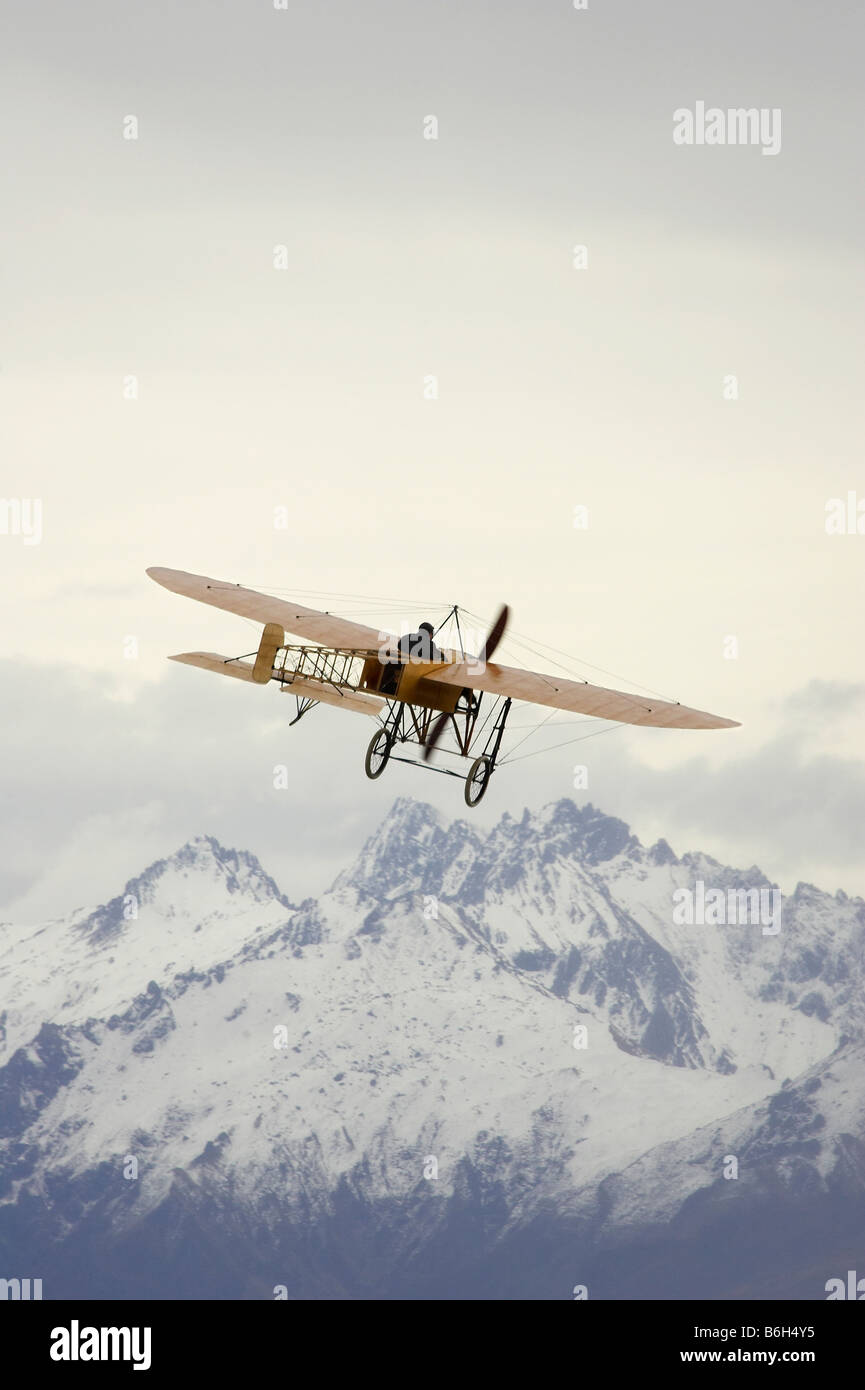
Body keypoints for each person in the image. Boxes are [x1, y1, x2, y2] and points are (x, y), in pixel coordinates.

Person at [380, 622, 444, 694]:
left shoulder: (406, 637)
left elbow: (399, 646)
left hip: (397, 673)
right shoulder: (430, 644)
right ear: (429, 634)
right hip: (413, 679)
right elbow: (433, 657)